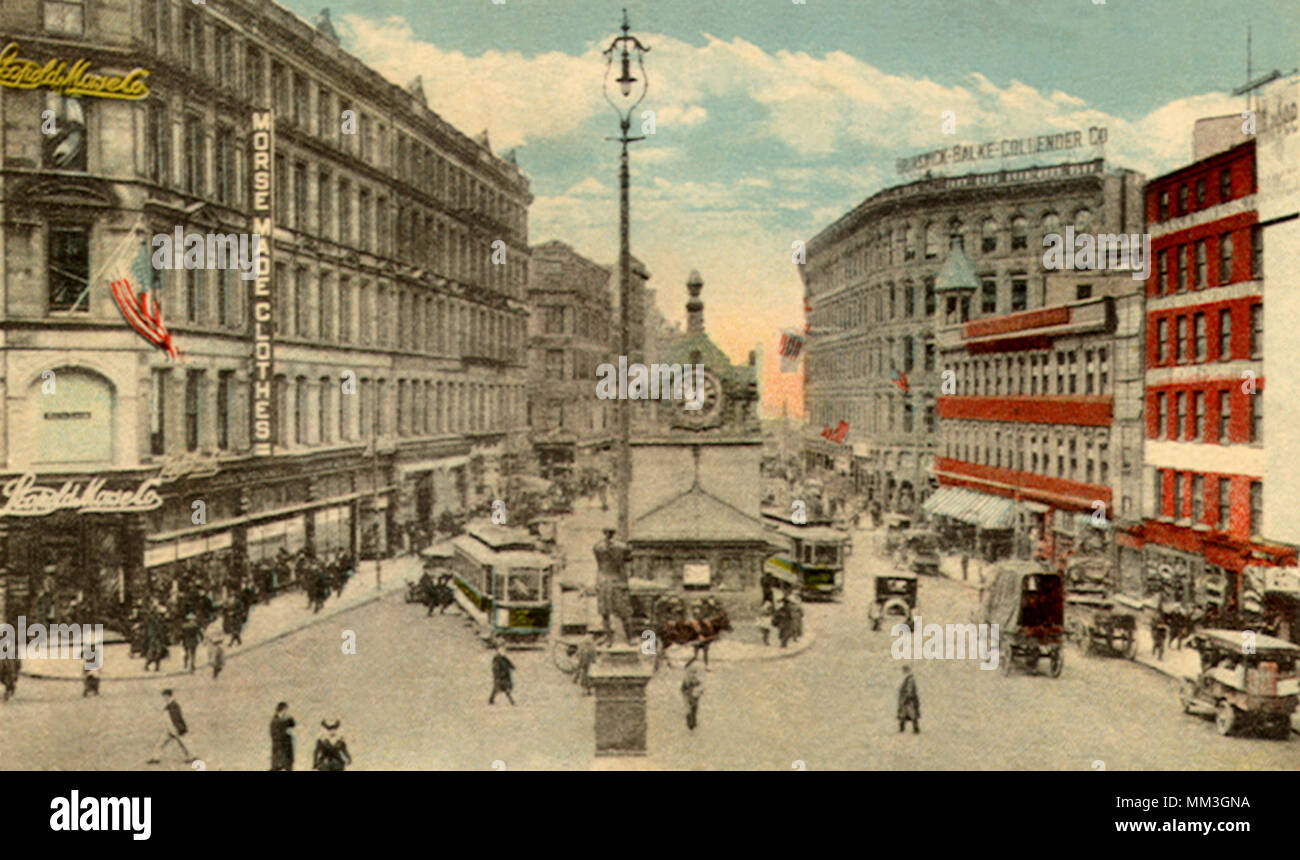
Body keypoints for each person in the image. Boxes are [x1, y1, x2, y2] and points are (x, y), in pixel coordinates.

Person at [148, 689, 194, 765]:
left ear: (168, 696)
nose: (163, 698)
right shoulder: (170, 704)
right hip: (169, 728)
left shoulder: (173, 705)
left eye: (164, 696)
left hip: (174, 728)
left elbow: (177, 717)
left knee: (183, 743)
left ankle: (192, 757)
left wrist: (179, 728)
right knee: (161, 743)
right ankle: (155, 758)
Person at [270, 702, 295, 771]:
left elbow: (292, 723)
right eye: (285, 710)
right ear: (282, 710)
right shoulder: (275, 722)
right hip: (280, 754)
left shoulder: (283, 721)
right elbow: (277, 738)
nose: (286, 713)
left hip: (286, 754)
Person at [897, 665, 921, 734]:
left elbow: (910, 690)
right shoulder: (907, 679)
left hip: (909, 700)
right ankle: (902, 729)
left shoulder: (910, 679)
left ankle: (915, 729)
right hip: (905, 700)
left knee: (911, 714)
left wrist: (907, 697)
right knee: (903, 714)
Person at [681, 664, 704, 731]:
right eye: (692, 672)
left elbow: (699, 686)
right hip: (690, 696)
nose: (693, 674)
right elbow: (683, 688)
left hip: (693, 696)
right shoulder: (688, 679)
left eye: (694, 672)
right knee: (690, 709)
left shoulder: (694, 679)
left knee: (693, 708)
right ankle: (690, 723)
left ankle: (692, 722)